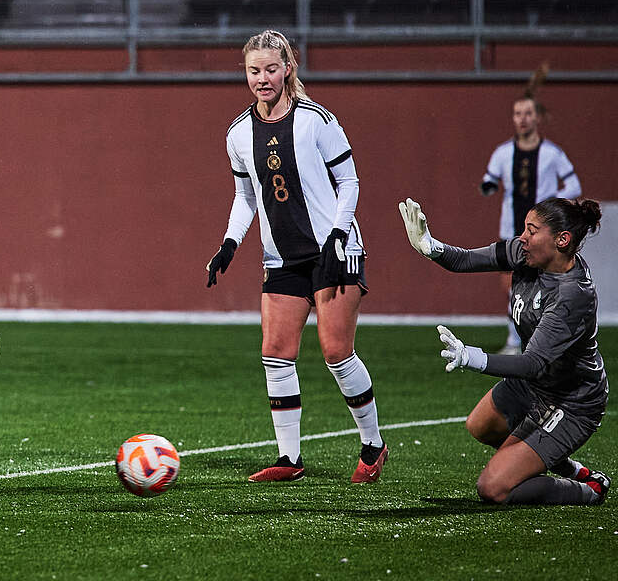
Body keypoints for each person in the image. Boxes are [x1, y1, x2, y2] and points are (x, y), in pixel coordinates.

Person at [204, 30, 387, 484]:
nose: (262, 79)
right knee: (276, 353)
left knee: (336, 352)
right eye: (253, 71)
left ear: (288, 68)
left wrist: (340, 233)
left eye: (270, 69)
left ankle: (373, 444)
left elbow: (351, 182)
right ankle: (289, 460)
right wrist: (229, 244)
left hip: (335, 250)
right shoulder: (238, 133)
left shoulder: (317, 120)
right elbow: (245, 196)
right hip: (280, 257)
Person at [399, 196, 608, 505]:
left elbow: (532, 363)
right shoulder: (526, 253)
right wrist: (431, 246)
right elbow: (466, 260)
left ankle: (589, 491)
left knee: (493, 489)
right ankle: (573, 470)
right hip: (537, 385)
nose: (522, 237)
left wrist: (472, 357)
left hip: (571, 400)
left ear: (562, 240)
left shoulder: (571, 295)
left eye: (532, 230)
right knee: (481, 425)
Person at [480, 64, 582, 354]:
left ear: (537, 117)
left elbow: (573, 184)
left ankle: (547, 339)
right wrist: (488, 186)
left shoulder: (552, 154)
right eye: (517, 114)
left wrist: (554, 203)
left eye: (527, 113)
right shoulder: (503, 153)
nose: (522, 119)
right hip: (511, 227)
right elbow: (489, 178)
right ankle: (516, 340)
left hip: (545, 230)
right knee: (511, 284)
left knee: (548, 282)